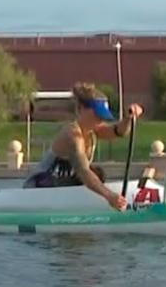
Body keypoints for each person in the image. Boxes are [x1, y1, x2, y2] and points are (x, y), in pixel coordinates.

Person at [23, 82, 144, 211]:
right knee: (92, 174)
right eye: (97, 115)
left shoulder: (93, 128)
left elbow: (119, 132)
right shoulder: (73, 135)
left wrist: (128, 118)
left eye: (102, 116)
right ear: (80, 109)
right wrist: (109, 196)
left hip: (62, 190)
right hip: (38, 189)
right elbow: (84, 172)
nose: (101, 120)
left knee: (99, 173)